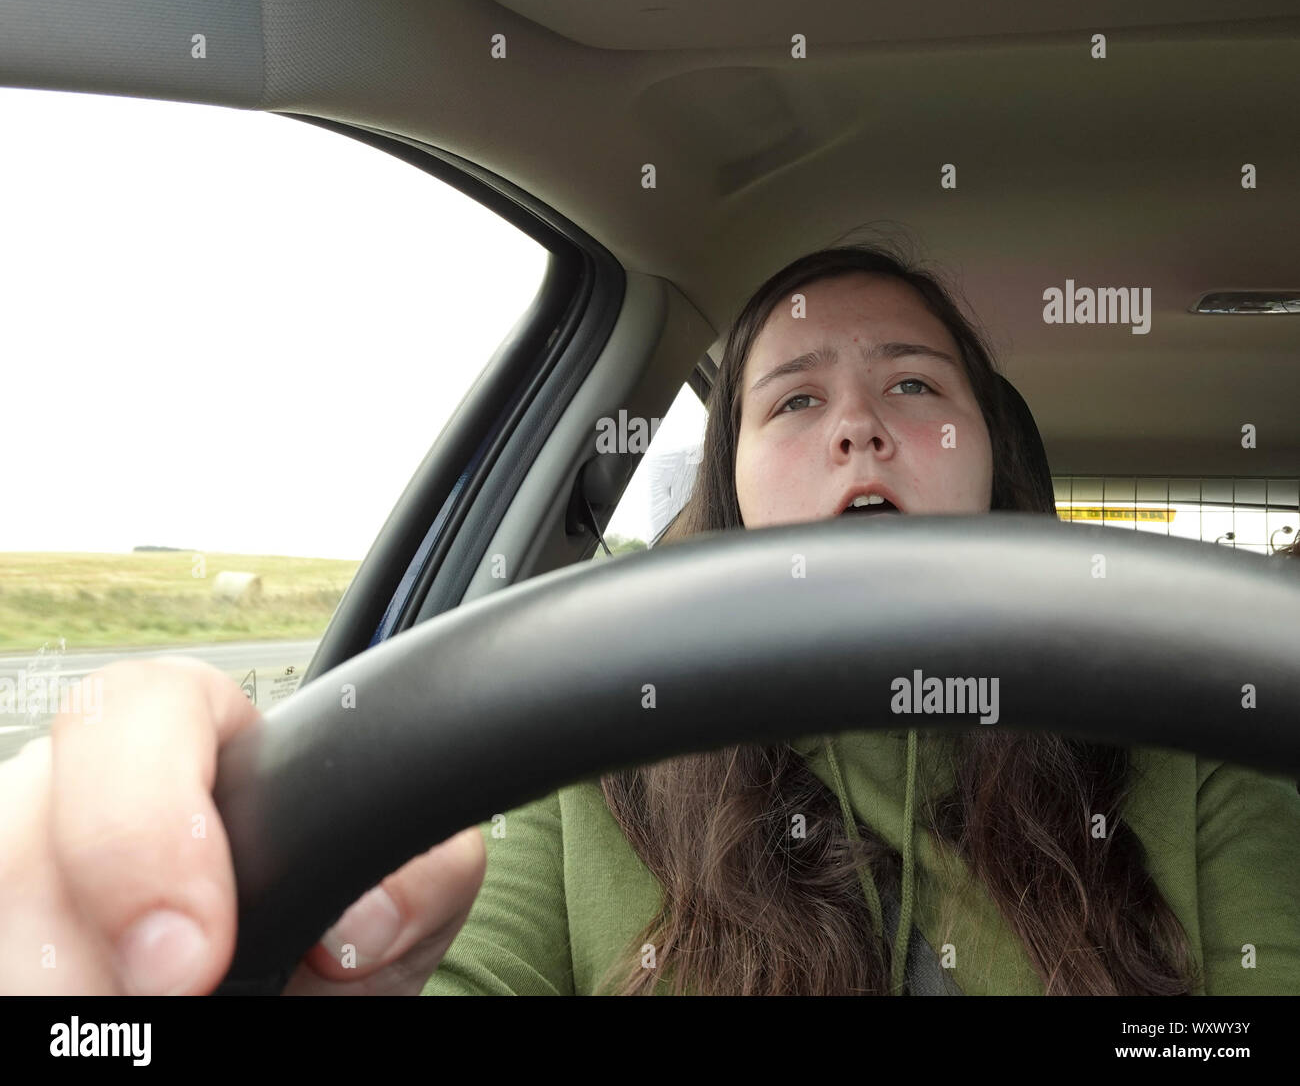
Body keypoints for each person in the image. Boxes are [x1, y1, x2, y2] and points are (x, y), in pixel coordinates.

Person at [4, 245, 1297, 996]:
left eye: (913, 383)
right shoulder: (588, 766)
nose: (858, 422)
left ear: (993, 458)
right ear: (727, 484)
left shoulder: (1186, 745)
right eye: (793, 402)